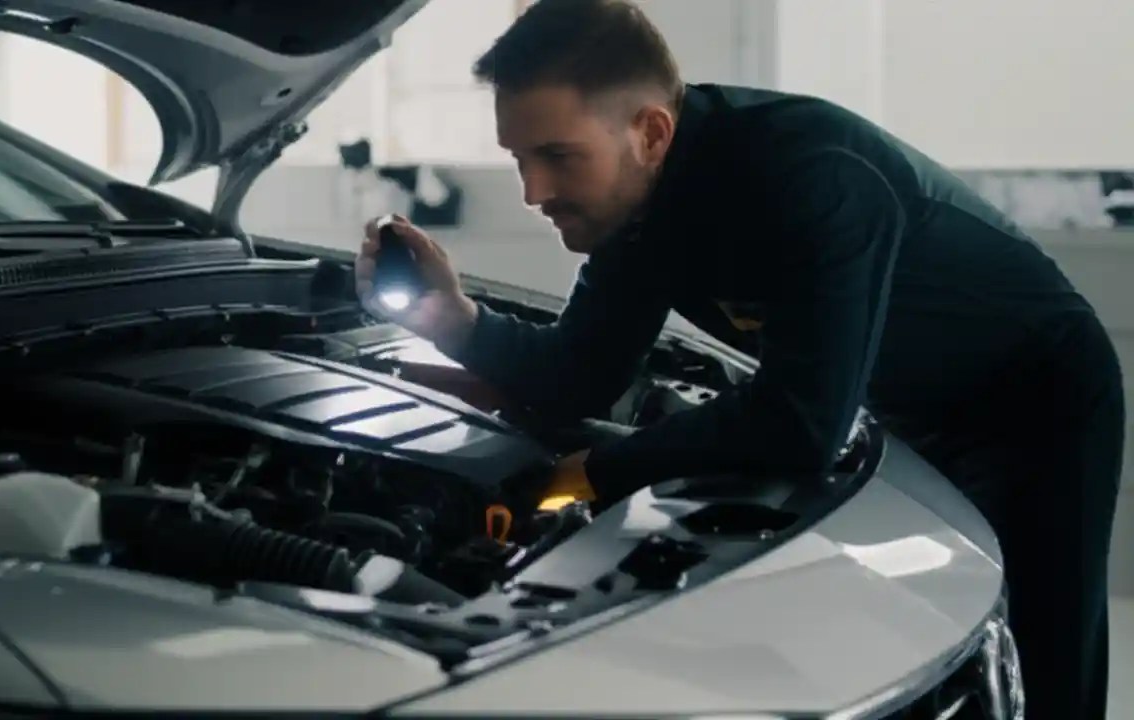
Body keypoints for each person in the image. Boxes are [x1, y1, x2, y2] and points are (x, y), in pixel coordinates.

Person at [353, 0, 1124, 716]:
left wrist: (594, 471)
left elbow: (799, 425)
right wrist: (451, 320)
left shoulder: (813, 175)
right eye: (518, 156)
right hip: (909, 400)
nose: (532, 190)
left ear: (651, 132)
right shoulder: (639, 207)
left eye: (557, 155)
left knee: (1040, 664)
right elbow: (579, 375)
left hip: (1035, 399)